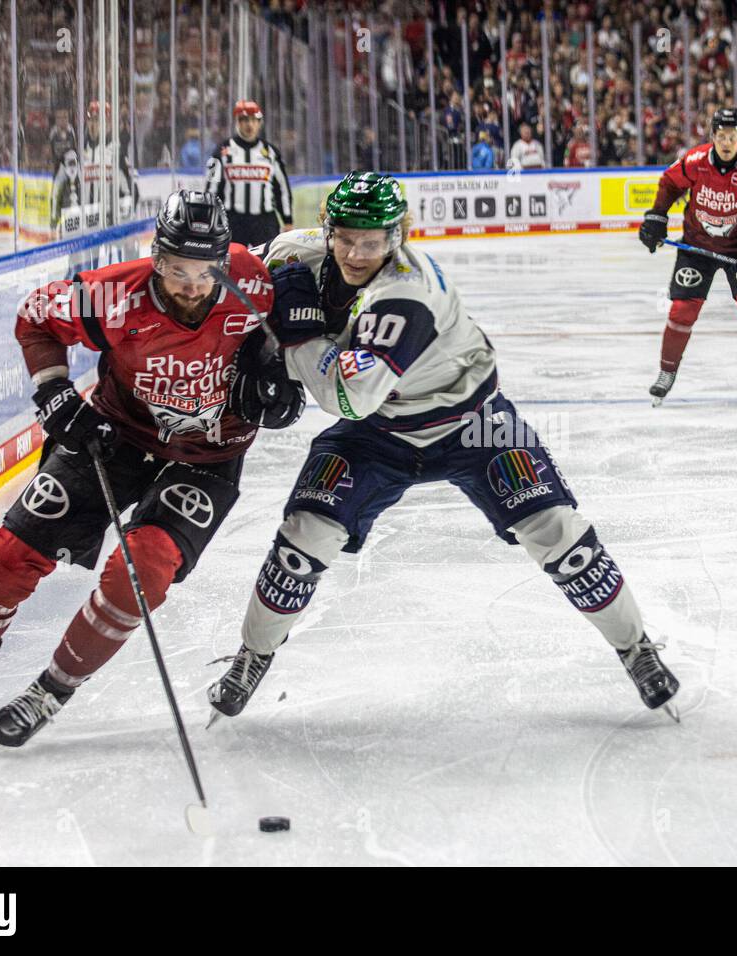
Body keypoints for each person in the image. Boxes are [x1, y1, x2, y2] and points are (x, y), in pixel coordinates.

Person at [207, 171, 680, 723]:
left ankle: (635, 646)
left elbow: (347, 396)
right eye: (346, 237)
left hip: (469, 425)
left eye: (374, 240)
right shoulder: (300, 250)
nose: (358, 253)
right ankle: (253, 655)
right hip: (381, 433)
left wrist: (297, 337)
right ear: (328, 228)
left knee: (561, 537)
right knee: (301, 542)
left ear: (398, 235)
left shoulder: (407, 291)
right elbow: (223, 267)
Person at [0, 191, 303, 747]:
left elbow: (311, 317)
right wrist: (55, 392)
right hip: (113, 437)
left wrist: (284, 377)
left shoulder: (256, 282)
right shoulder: (114, 293)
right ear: (157, 256)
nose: (190, 286)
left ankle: (52, 689)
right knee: (3, 557)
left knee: (142, 572)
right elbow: (35, 317)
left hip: (209, 456)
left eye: (204, 272)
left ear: (224, 264)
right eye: (176, 269)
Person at [638, 107, 737, 406]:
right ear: (713, 137)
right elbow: (669, 183)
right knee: (681, 311)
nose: (726, 142)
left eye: (732, 136)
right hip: (698, 246)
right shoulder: (696, 162)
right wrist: (656, 215)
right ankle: (666, 373)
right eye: (721, 136)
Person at [206, 99, 294, 248]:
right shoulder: (221, 151)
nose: (250, 125)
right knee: (232, 265)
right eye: (245, 120)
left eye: (254, 120)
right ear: (237, 122)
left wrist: (287, 220)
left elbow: (283, 189)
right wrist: (211, 219)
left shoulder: (271, 152)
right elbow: (212, 189)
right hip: (233, 221)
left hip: (264, 221)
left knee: (268, 264)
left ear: (260, 123)